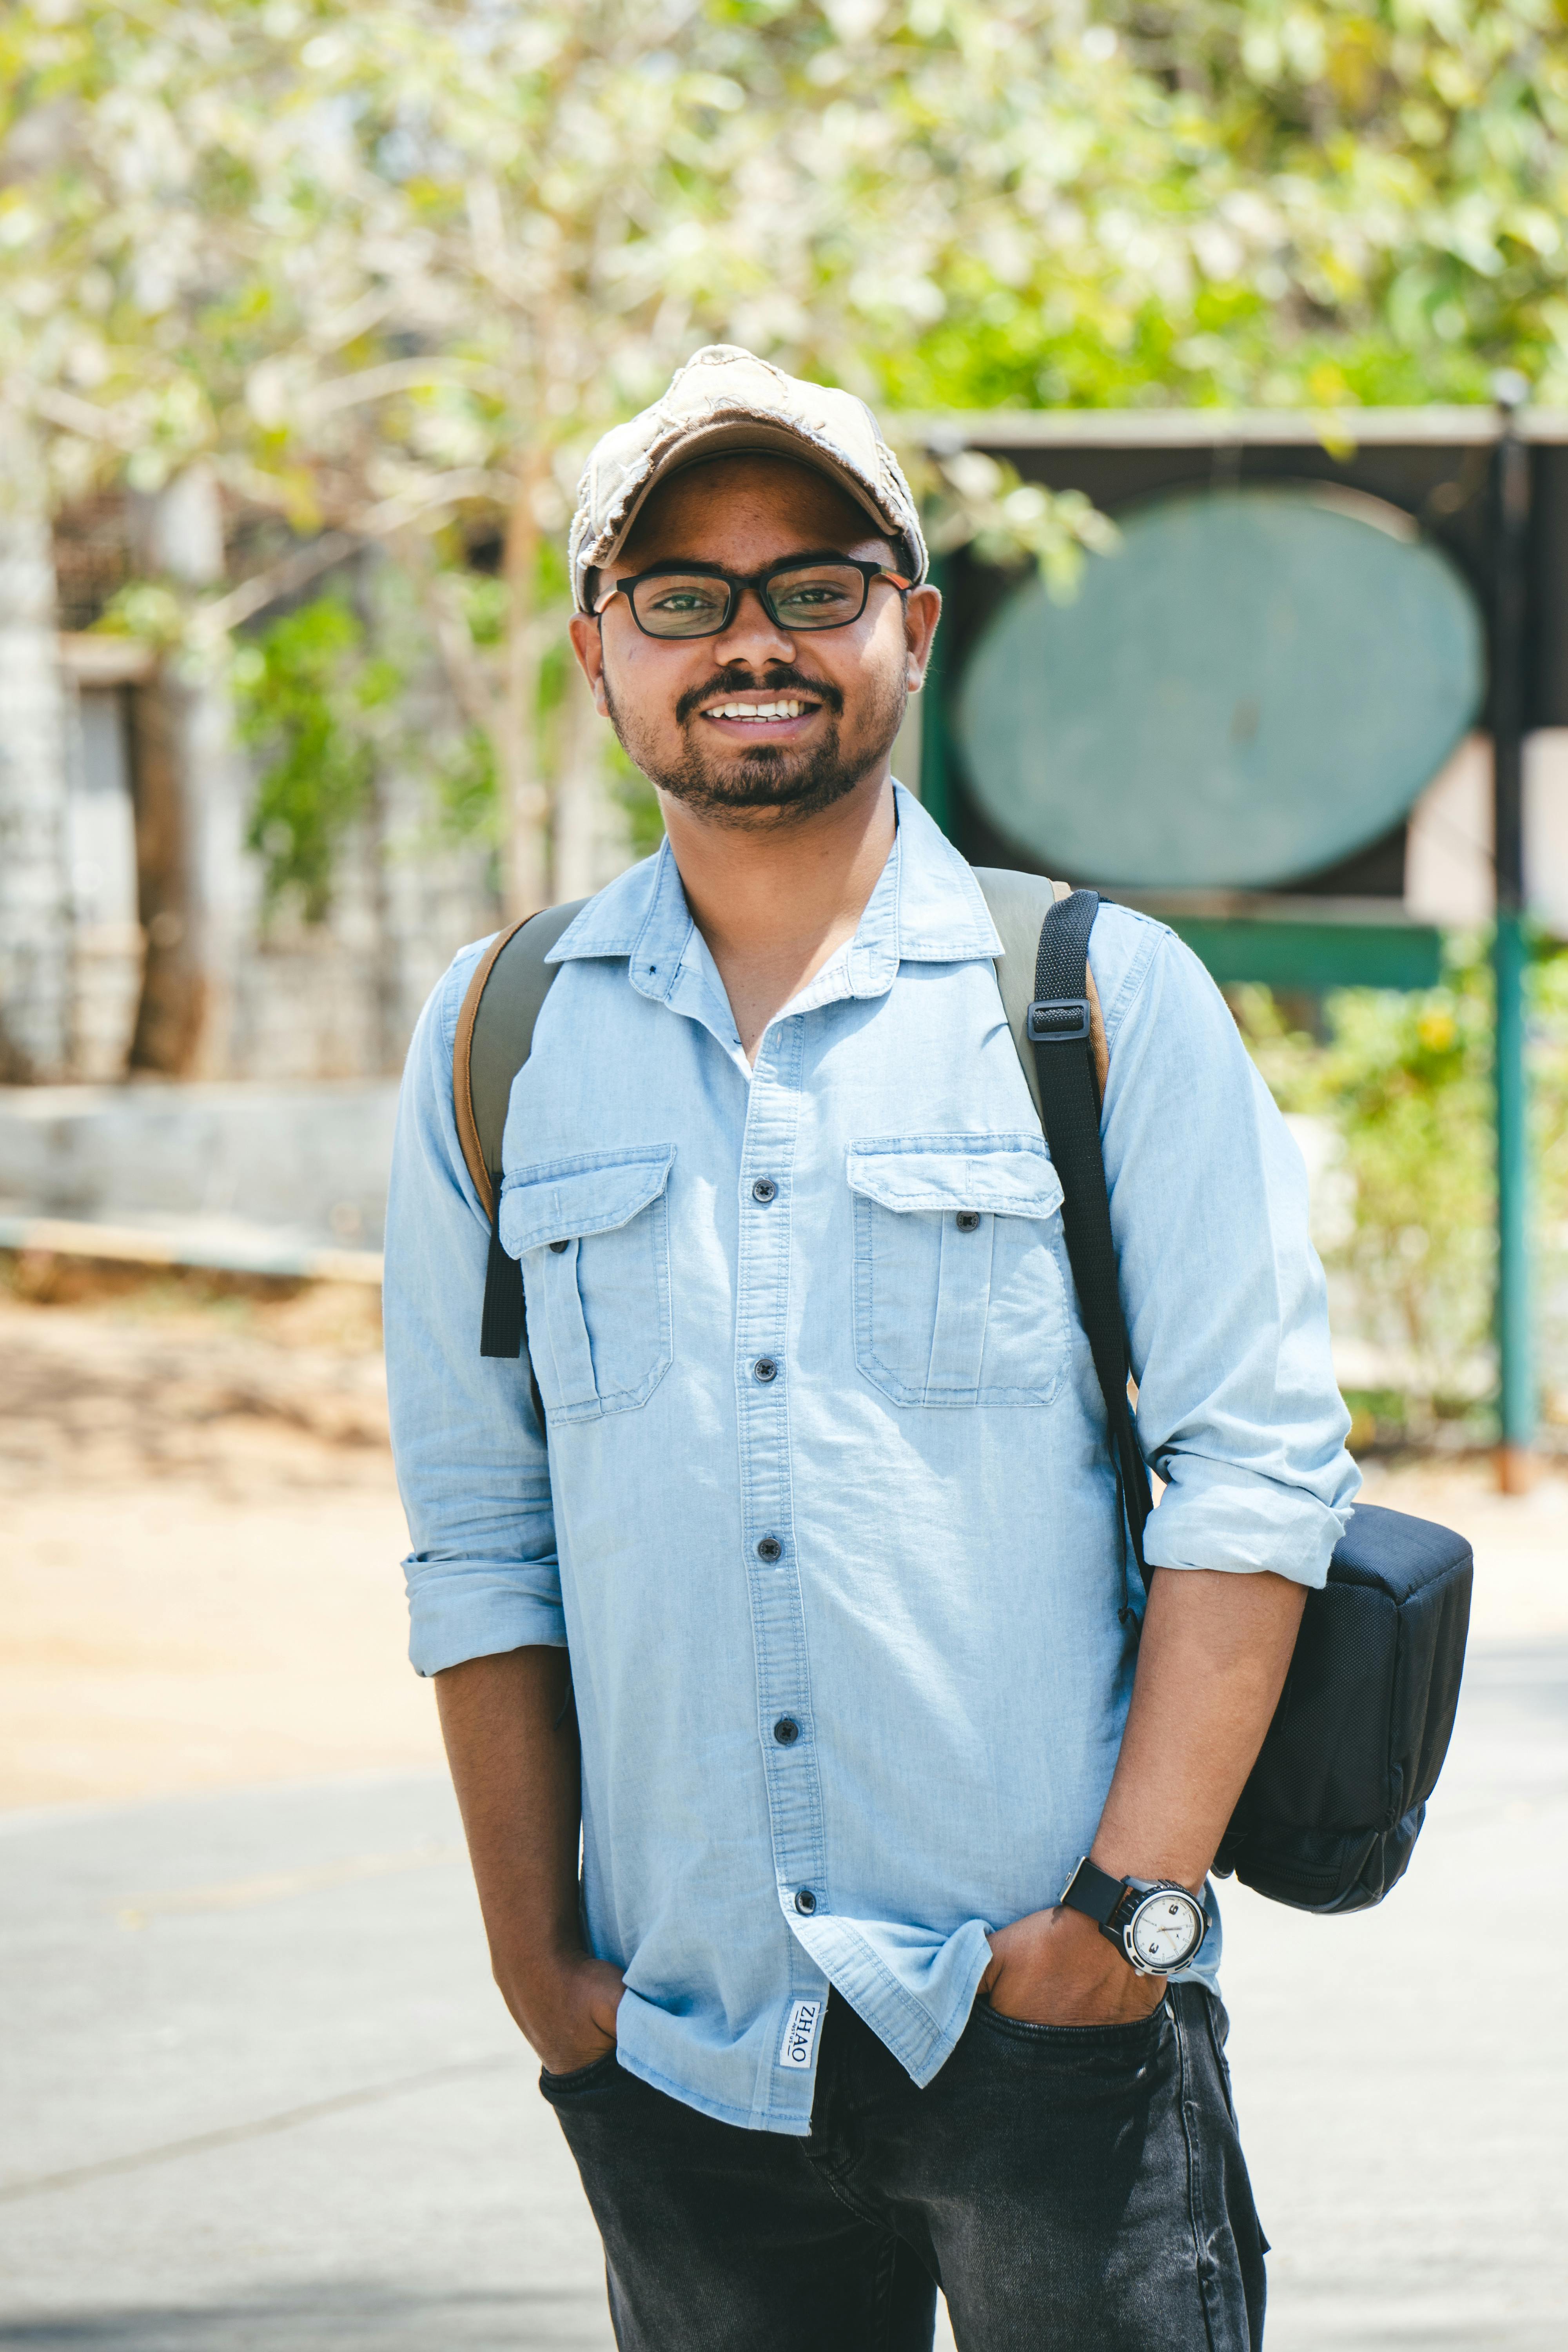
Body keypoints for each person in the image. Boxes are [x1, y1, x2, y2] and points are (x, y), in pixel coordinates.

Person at [383, 343, 1359, 2350]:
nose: (751, 642)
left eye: (812, 587)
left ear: (908, 625)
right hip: (679, 2050)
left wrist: (1123, 1927)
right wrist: (538, 1975)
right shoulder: (496, 1040)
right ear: (597, 652)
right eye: (683, 596)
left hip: (1049, 2027)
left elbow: (1257, 1479)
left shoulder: (1094, 997)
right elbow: (481, 1535)